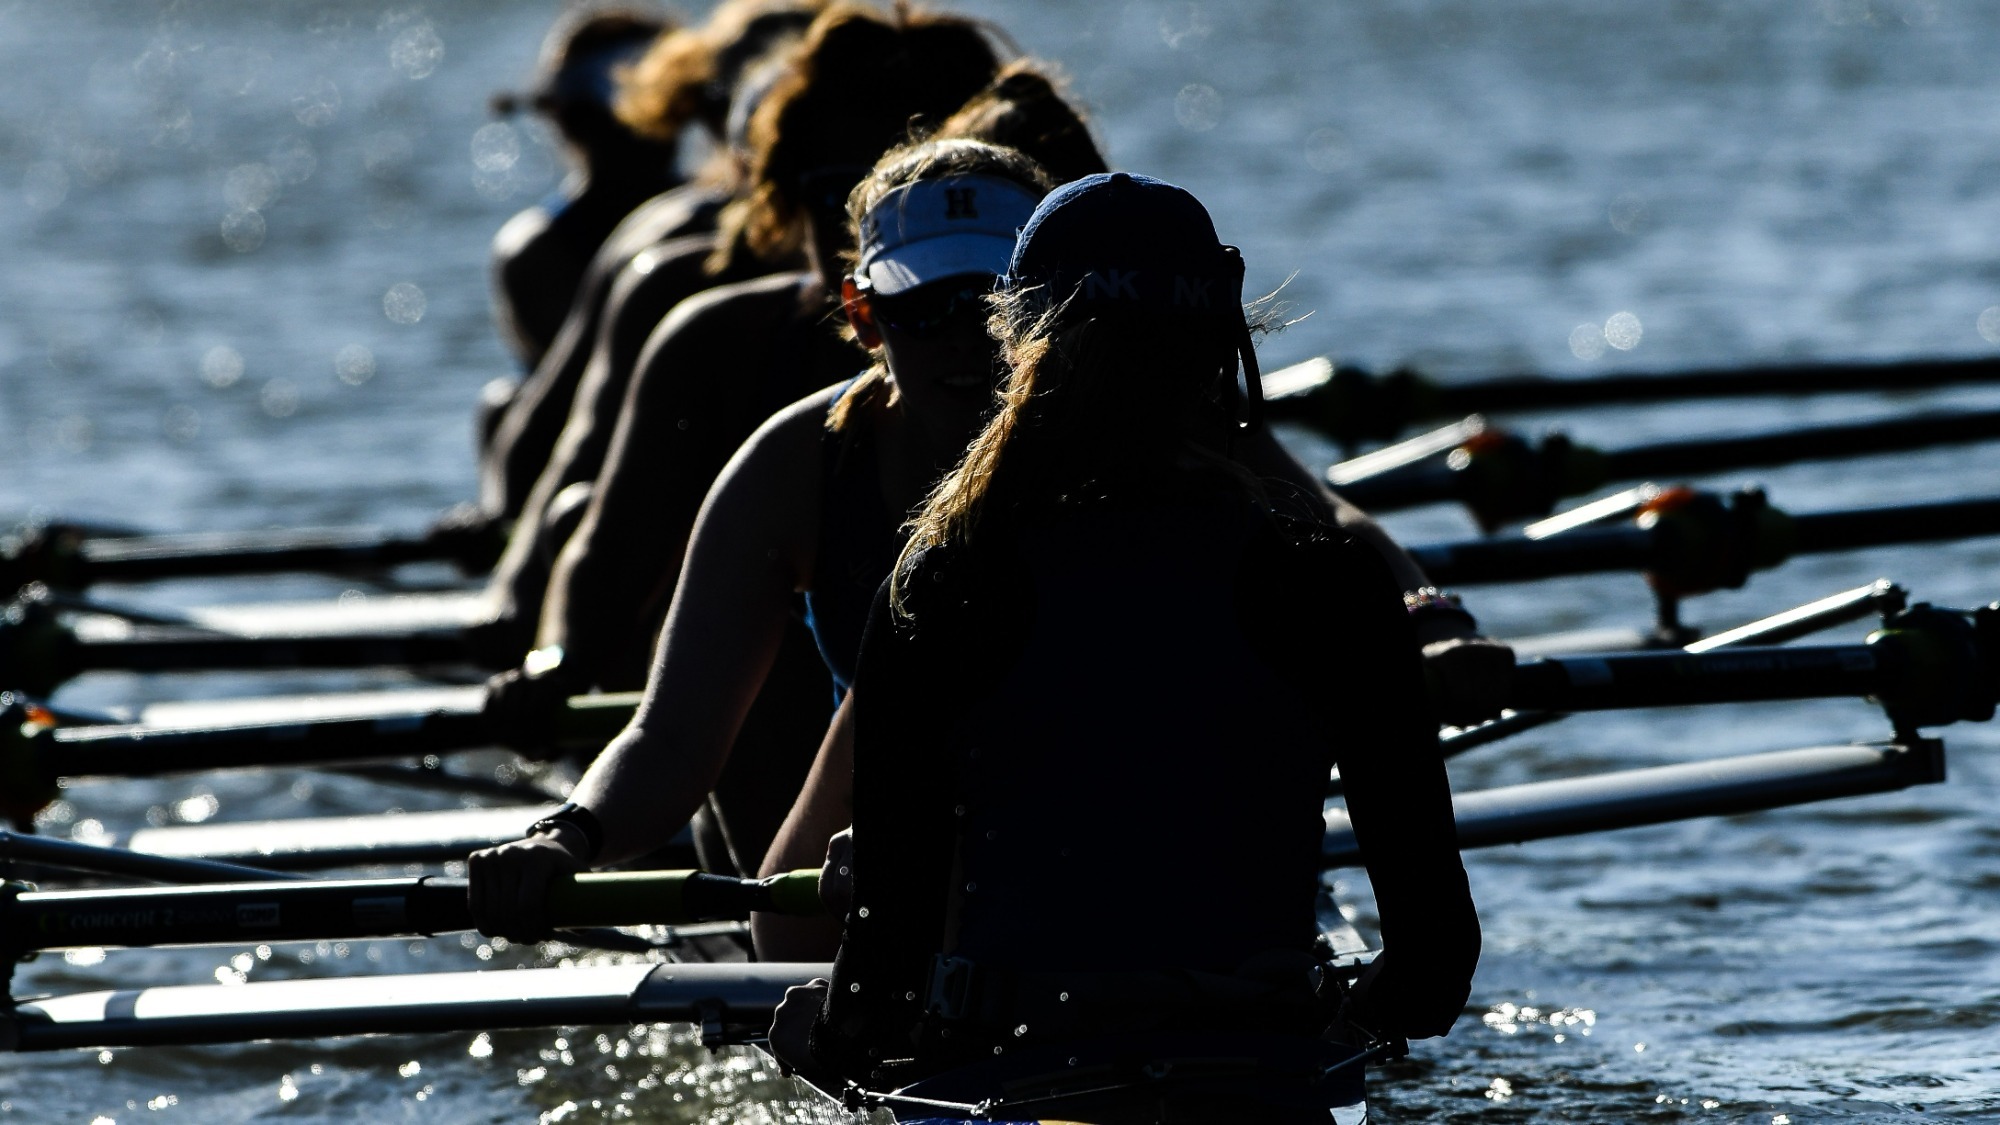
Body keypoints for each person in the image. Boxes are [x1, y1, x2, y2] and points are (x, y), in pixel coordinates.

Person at [764, 172, 1481, 1123]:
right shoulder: (1332, 582)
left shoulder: (943, 581)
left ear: (1014, 340)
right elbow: (1434, 968)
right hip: (1261, 1078)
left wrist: (827, 1037)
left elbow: (884, 979)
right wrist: (1336, 1023)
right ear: (1224, 343)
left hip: (1012, 1074)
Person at [468, 8, 1013, 881]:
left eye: (990, 299)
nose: (963, 335)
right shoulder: (748, 390)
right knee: (782, 658)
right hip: (833, 851)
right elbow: (621, 588)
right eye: (921, 303)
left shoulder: (1143, 427)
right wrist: (565, 793)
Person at [465, 0, 823, 545]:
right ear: (570, 118)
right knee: (501, 405)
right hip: (613, 470)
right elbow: (575, 413)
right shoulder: (544, 250)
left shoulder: (700, 221)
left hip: (718, 459)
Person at [486, 9, 682, 374]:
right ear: (572, 118)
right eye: (624, 101)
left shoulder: (725, 217)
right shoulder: (536, 251)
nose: (652, 121)